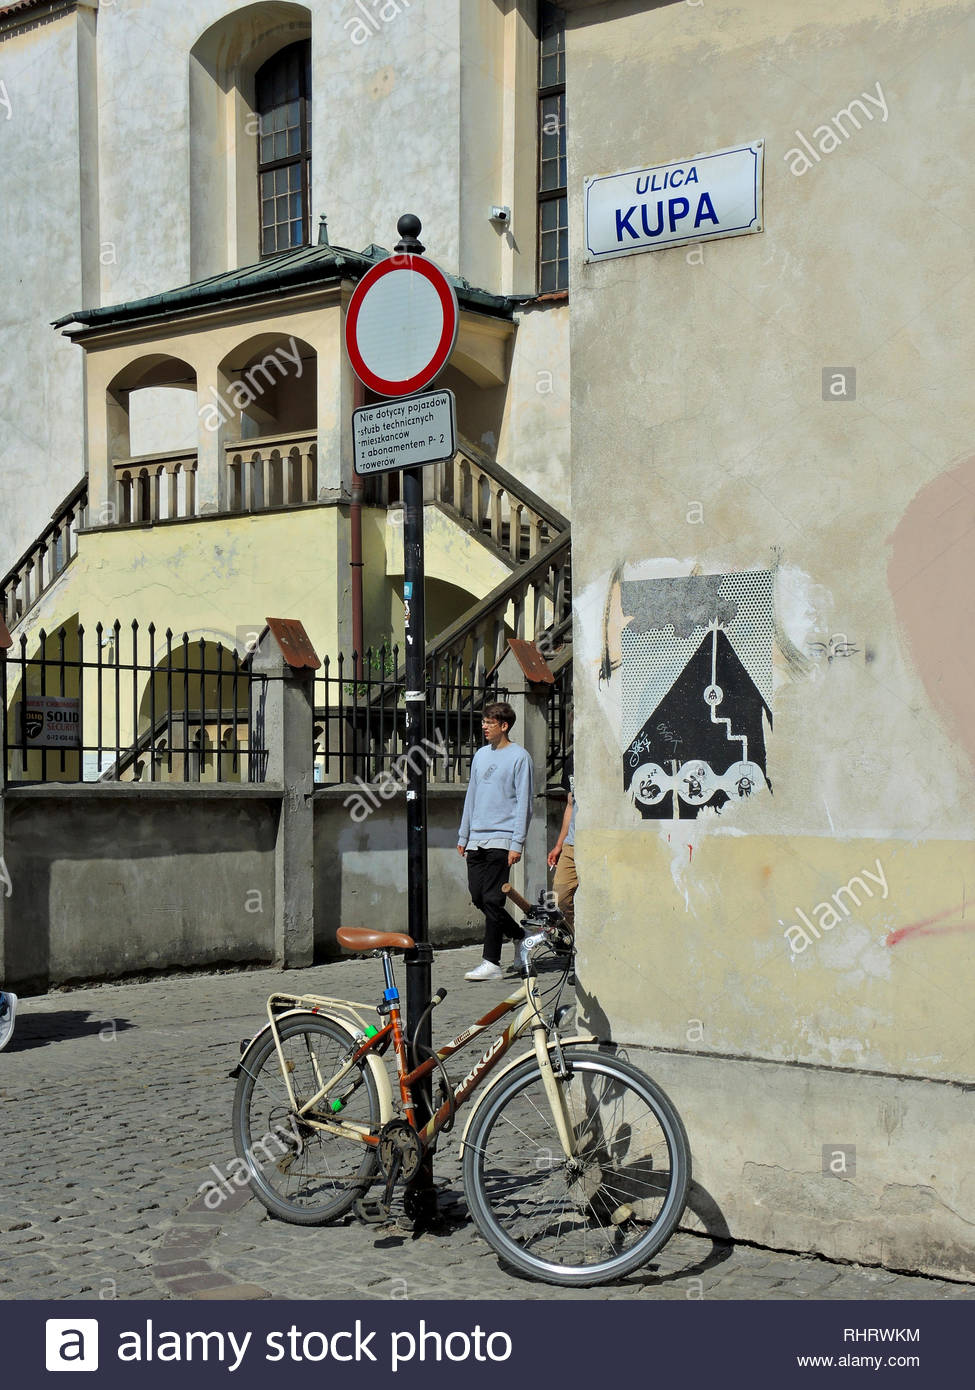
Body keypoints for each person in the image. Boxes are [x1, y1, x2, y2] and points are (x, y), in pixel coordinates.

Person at [457, 701, 534, 981]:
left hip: (502, 839)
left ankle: (491, 962)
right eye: (483, 721)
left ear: (504, 726)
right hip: (476, 838)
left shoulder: (519, 757)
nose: (484, 726)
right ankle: (520, 935)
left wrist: (517, 843)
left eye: (490, 722)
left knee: (493, 898)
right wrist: (464, 834)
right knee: (479, 897)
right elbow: (472, 796)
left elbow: (525, 803)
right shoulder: (480, 755)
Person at [547, 753, 577, 934]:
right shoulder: (571, 762)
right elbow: (570, 805)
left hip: (596, 843)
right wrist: (559, 845)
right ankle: (573, 938)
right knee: (560, 897)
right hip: (571, 844)